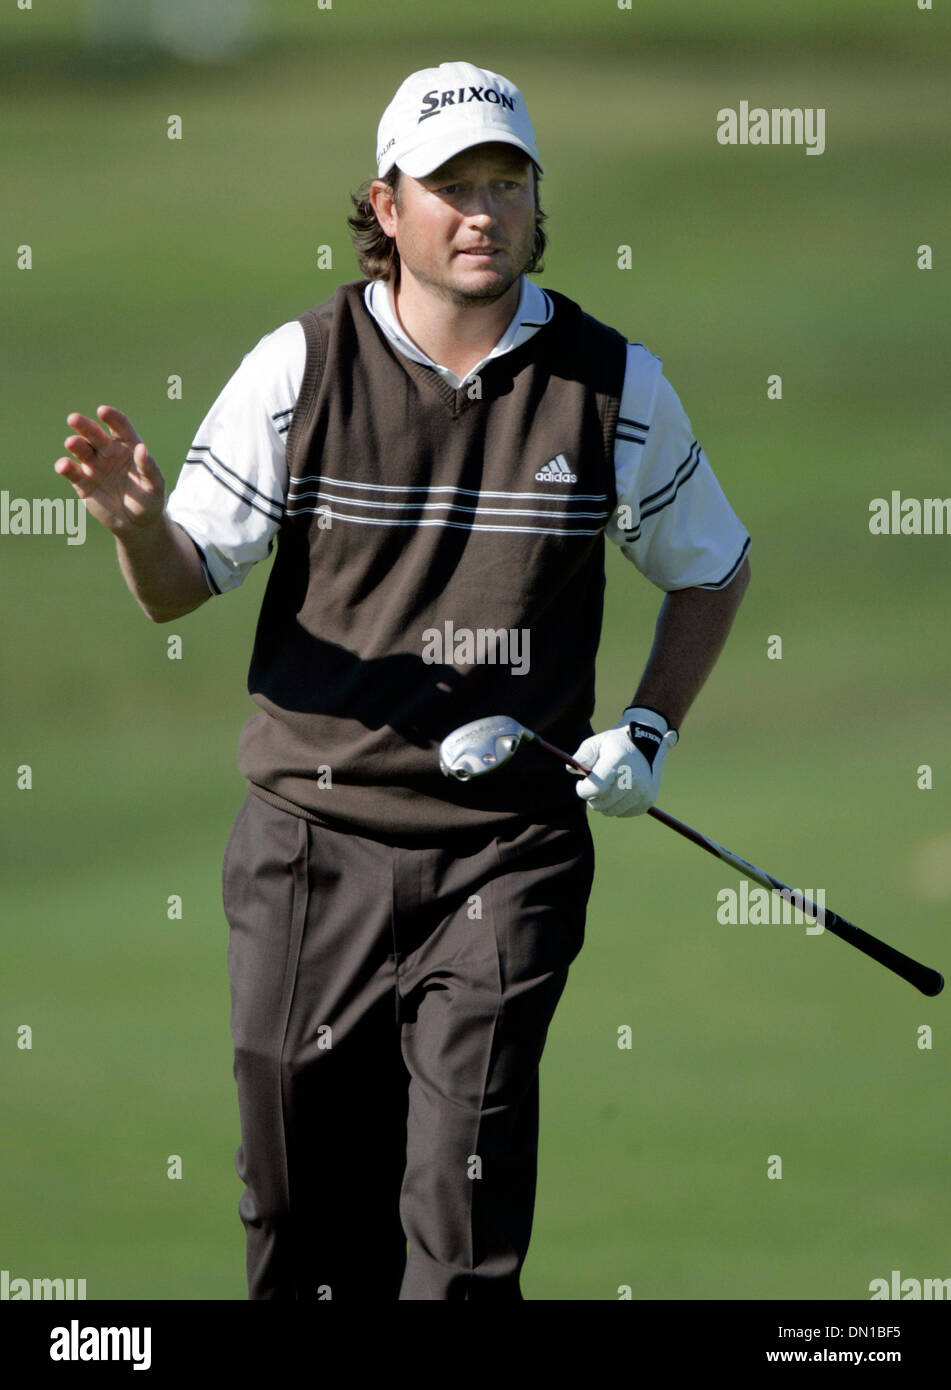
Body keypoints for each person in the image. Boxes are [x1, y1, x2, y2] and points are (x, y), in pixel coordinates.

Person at [54, 60, 750, 1301]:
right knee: (300, 1228)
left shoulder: (612, 386)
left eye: (507, 182)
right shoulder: (302, 368)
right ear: (384, 205)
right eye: (450, 186)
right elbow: (177, 587)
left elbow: (711, 568)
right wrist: (133, 525)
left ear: (539, 204)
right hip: (309, 850)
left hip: (506, 851)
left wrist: (647, 727)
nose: (482, 210)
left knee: (463, 1227)